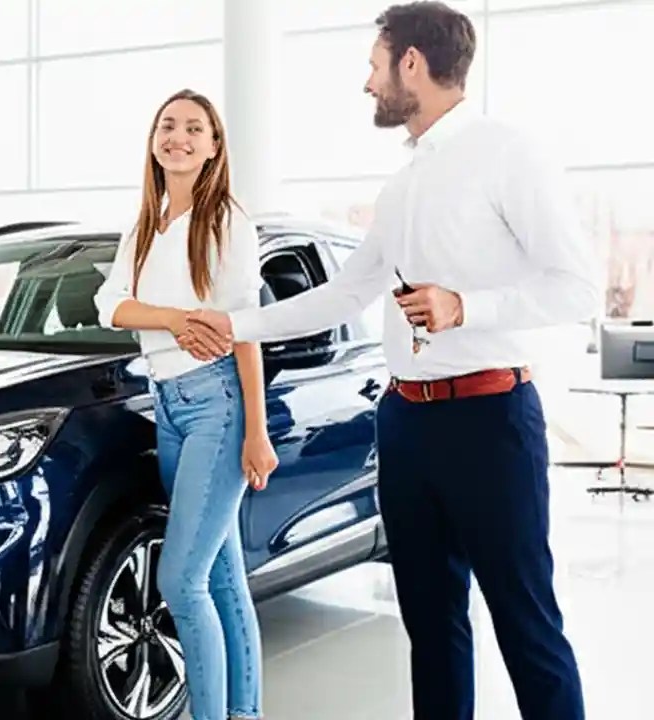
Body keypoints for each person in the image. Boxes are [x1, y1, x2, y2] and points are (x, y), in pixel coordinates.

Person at [188, 3, 597, 719]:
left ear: (413, 62)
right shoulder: (402, 183)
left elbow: (578, 286)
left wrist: (463, 305)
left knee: (525, 621)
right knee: (430, 624)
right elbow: (346, 293)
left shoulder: (507, 152)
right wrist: (231, 322)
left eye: (375, 65)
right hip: (406, 423)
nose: (367, 83)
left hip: (490, 419)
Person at [93, 88, 279, 720]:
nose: (178, 136)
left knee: (181, 581)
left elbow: (245, 327)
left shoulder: (227, 220)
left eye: (194, 128)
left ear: (213, 147)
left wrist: (257, 430)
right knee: (222, 578)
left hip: (217, 404)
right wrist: (176, 318)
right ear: (153, 141)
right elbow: (109, 305)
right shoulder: (144, 227)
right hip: (167, 403)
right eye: (168, 126)